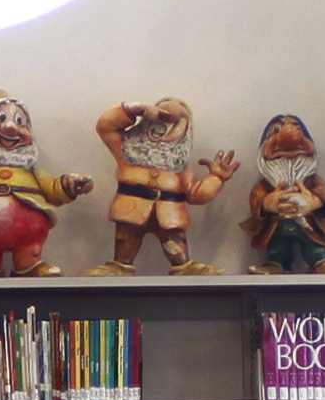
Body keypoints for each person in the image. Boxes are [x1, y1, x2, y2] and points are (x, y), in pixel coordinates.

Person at [0, 93, 92, 277]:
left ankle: (30, 265)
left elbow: (53, 189)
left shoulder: (31, 171)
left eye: (20, 122)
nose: (10, 127)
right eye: (1, 118)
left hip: (29, 235)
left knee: (30, 251)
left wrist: (68, 185)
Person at [89, 97, 236, 275]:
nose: (162, 127)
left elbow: (196, 194)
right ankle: (120, 265)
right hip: (130, 210)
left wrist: (216, 177)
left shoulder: (180, 165)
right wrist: (135, 109)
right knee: (125, 238)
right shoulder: (127, 149)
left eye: (173, 124)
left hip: (169, 215)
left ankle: (183, 266)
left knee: (176, 242)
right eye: (159, 119)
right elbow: (105, 126)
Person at [241, 114, 325, 274]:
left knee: (314, 246)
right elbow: (256, 197)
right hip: (278, 224)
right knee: (278, 246)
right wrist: (268, 202)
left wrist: (313, 202)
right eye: (276, 131)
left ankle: (320, 261)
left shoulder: (312, 181)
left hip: (309, 225)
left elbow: (324, 195)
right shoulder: (266, 185)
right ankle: (276, 263)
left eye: (296, 127)